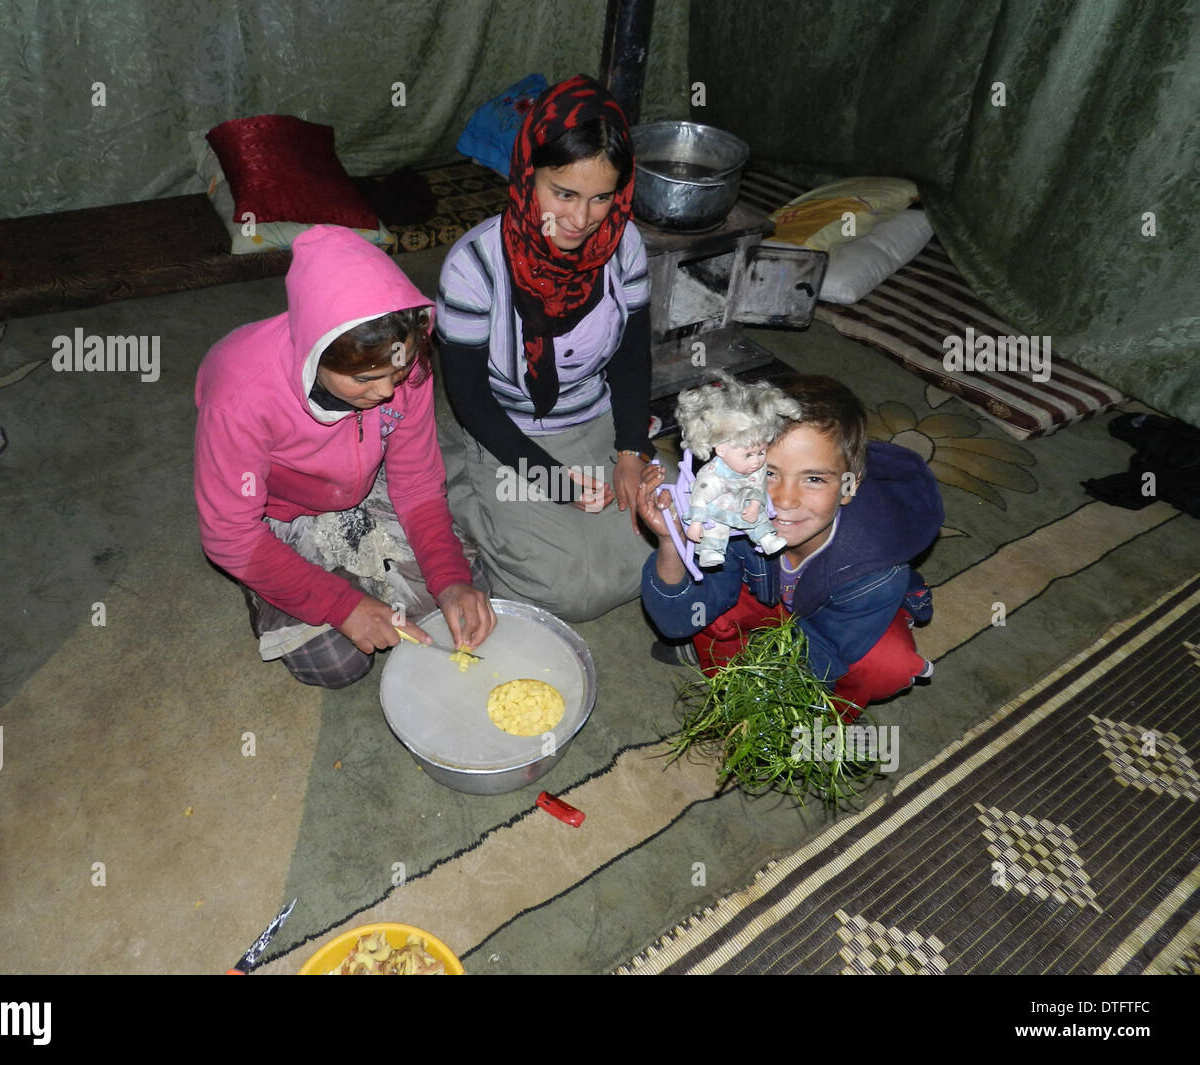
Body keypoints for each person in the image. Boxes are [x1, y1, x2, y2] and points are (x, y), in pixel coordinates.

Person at [194, 225, 496, 688]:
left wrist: (450, 578)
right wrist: (344, 606)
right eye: (366, 379)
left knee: (464, 602)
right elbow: (229, 534)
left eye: (398, 372)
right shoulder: (240, 393)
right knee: (336, 663)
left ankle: (353, 580)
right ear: (316, 355)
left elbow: (415, 485)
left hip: (364, 483)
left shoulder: (405, 367)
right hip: (278, 509)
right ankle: (287, 582)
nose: (387, 391)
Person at [435, 74, 658, 622]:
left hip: (594, 421)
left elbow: (631, 355)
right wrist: (548, 477)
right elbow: (470, 398)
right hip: (509, 430)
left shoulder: (623, 245)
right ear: (527, 174)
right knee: (569, 592)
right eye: (564, 193)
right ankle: (461, 482)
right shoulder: (474, 268)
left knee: (668, 541)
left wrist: (631, 449)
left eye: (601, 197)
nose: (581, 221)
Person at [637, 375, 944, 719]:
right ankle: (722, 664)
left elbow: (828, 658)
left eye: (814, 479)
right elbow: (675, 622)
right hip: (765, 595)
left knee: (889, 666)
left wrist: (774, 712)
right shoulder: (735, 510)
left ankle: (820, 723)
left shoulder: (874, 573)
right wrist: (671, 541)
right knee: (709, 607)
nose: (784, 499)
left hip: (834, 621)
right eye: (766, 473)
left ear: (848, 487)